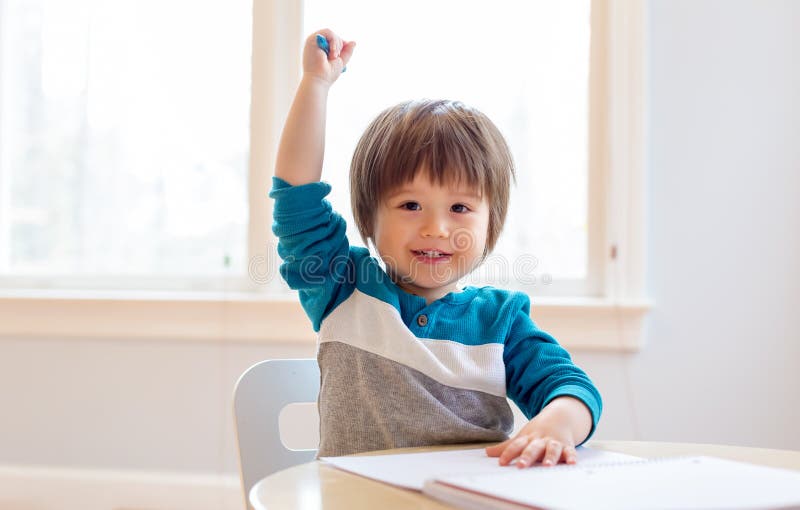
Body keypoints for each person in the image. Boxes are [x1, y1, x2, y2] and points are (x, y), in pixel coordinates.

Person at [271, 28, 602, 468]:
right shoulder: (342, 287)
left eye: (460, 207)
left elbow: (572, 389)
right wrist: (315, 84)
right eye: (410, 204)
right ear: (369, 217)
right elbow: (297, 199)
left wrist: (557, 422)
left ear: (491, 223)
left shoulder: (500, 322)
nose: (436, 228)